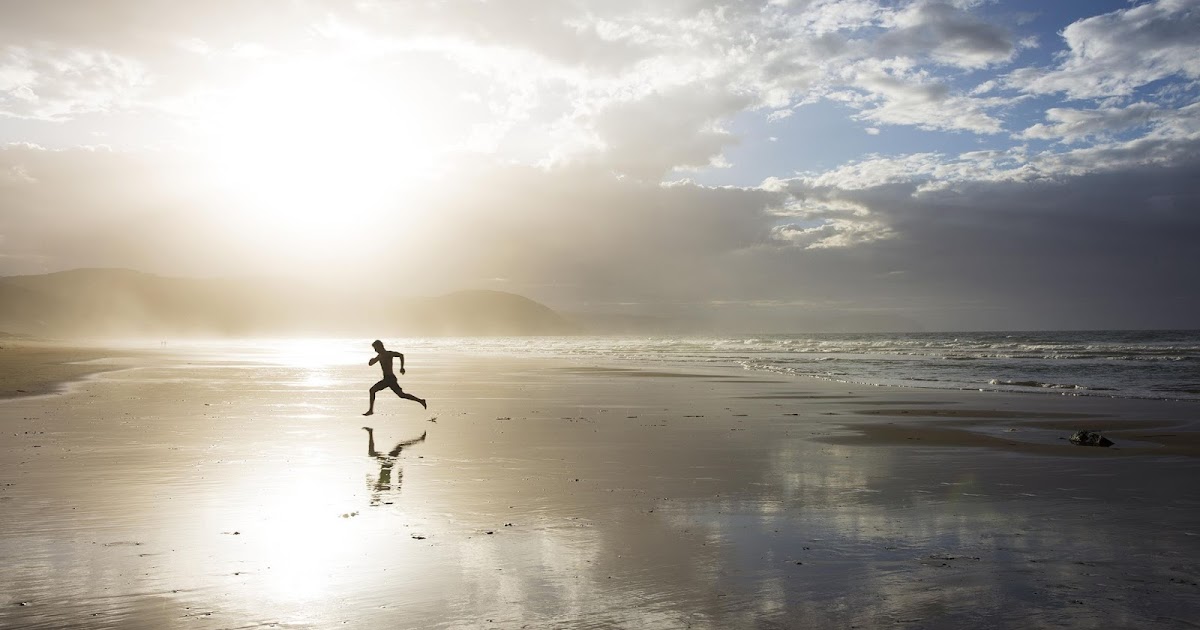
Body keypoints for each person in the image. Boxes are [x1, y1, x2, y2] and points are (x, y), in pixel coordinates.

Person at [364, 339, 427, 416]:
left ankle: (371, 410)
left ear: (380, 347)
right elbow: (371, 364)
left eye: (376, 348)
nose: (375, 350)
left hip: (390, 379)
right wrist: (371, 361)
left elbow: (401, 355)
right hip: (387, 379)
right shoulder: (379, 356)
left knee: (374, 390)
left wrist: (402, 367)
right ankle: (421, 401)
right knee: (401, 395)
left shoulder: (388, 354)